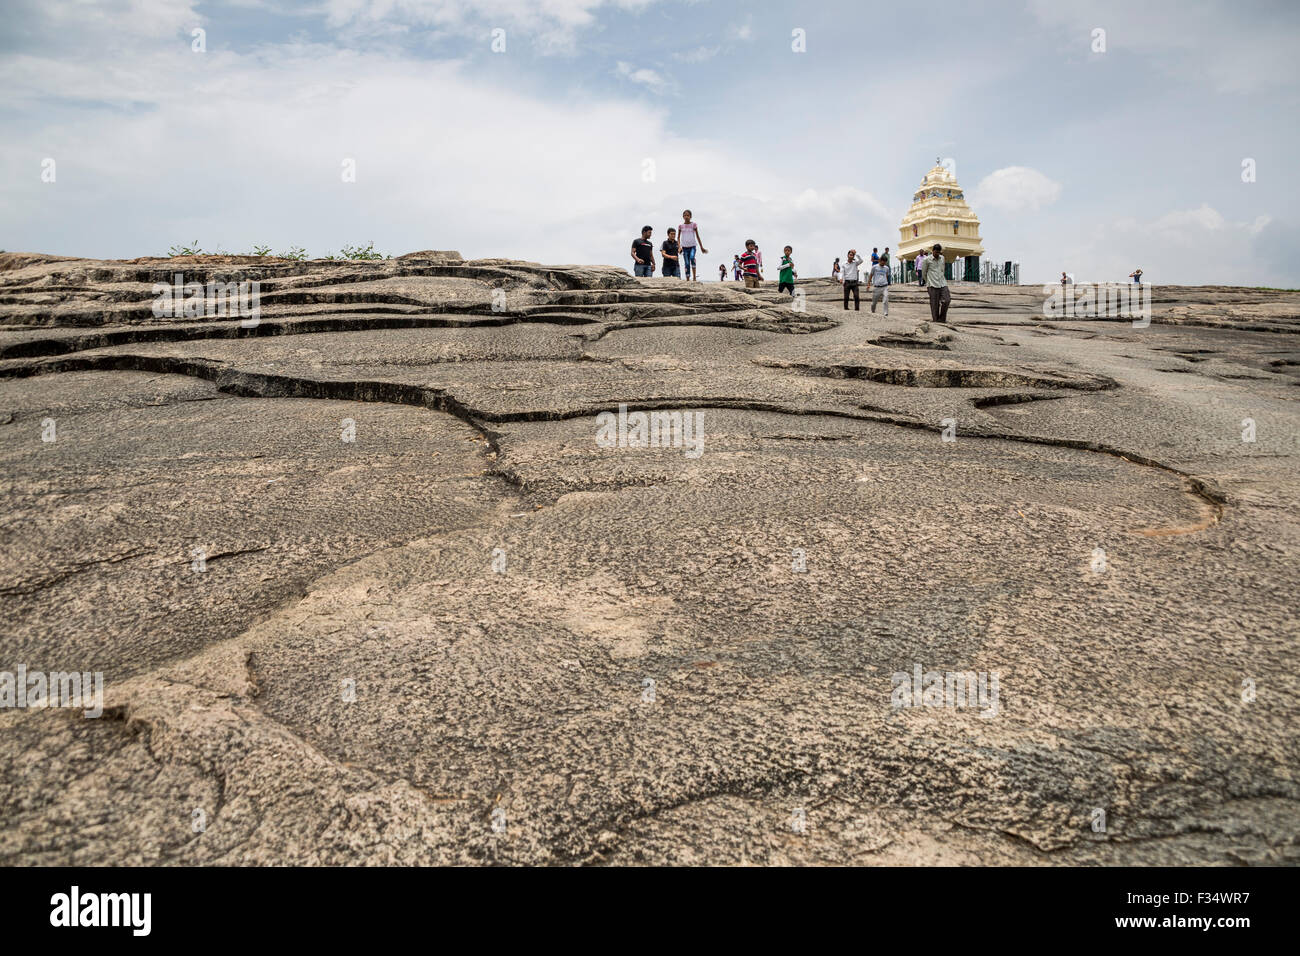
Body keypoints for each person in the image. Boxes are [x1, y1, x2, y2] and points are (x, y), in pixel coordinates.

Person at [923, 243, 950, 323]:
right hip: (932, 284)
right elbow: (924, 273)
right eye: (936, 252)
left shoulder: (942, 258)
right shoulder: (927, 260)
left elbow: (943, 269)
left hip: (942, 283)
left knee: (947, 300)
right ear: (932, 251)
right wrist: (928, 282)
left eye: (938, 252)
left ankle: (942, 319)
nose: (937, 254)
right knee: (935, 304)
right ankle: (936, 321)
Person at [678, 210, 708, 280]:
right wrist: (679, 247)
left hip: (692, 246)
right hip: (684, 247)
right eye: (685, 215)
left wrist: (701, 247)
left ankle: (694, 277)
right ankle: (687, 278)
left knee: (692, 258)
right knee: (687, 263)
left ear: (690, 216)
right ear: (683, 216)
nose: (686, 217)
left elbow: (697, 236)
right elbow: (678, 237)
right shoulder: (681, 226)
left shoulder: (693, 225)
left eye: (688, 215)